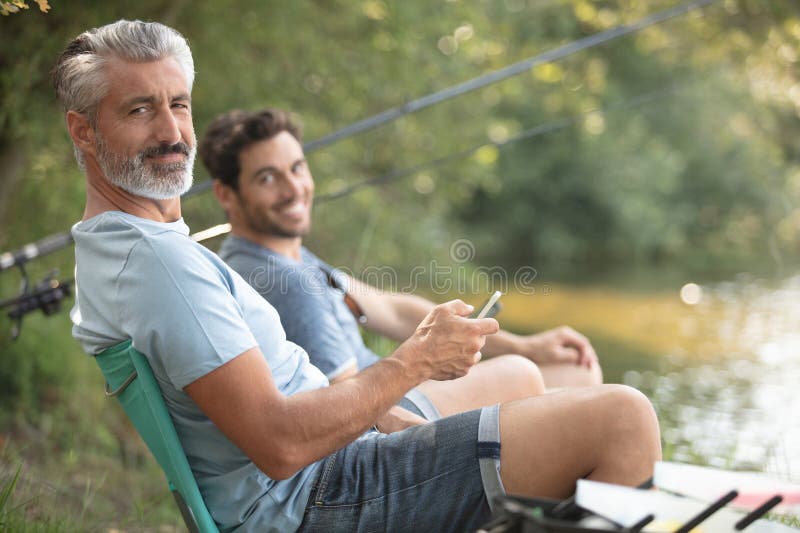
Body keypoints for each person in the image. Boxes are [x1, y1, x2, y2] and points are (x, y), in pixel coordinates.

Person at [59, 20, 661, 533]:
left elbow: (364, 327)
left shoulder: (130, 247)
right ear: (83, 129)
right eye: (140, 110)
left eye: (179, 103)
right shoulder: (162, 266)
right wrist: (414, 363)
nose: (171, 132)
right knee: (623, 420)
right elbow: (280, 444)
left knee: (524, 375)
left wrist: (399, 403)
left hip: (324, 466)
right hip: (315, 497)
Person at [200, 108, 601, 414]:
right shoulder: (280, 280)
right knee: (532, 377)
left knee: (571, 372)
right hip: (389, 416)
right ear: (226, 194)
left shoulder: (277, 252)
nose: (294, 189)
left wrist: (524, 344)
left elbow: (391, 309)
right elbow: (347, 405)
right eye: (267, 178)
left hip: (396, 395)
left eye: (297, 168)